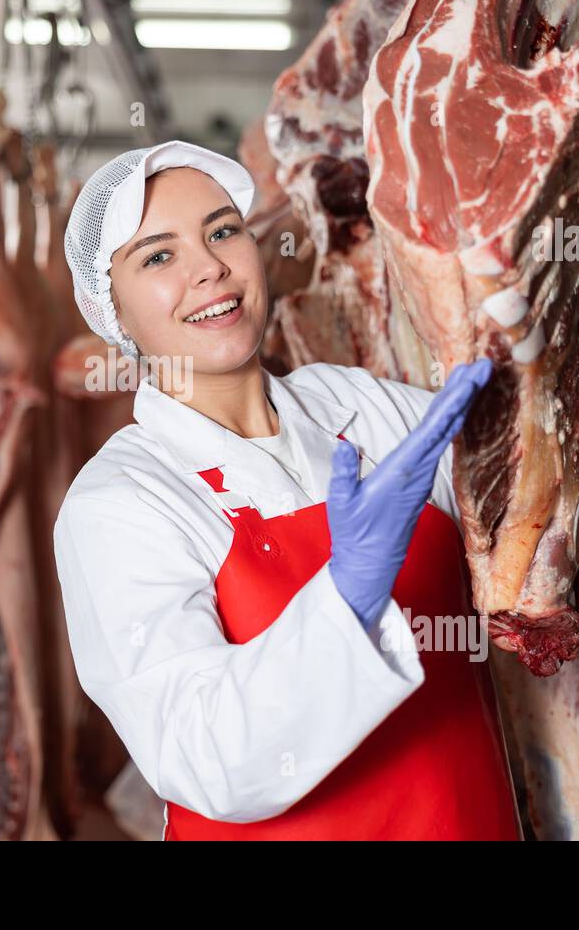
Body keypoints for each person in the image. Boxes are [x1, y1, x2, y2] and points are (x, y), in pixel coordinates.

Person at [52, 141, 520, 840]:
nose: (209, 267)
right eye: (158, 255)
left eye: (221, 230)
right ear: (110, 306)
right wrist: (345, 601)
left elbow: (527, 524)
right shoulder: (120, 503)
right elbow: (205, 753)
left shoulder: (356, 403)